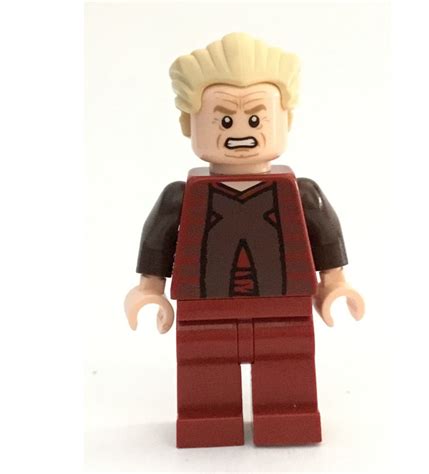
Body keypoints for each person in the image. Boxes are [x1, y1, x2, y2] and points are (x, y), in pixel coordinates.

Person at [124, 33, 364, 448]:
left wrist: (335, 284)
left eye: (255, 119)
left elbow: (325, 236)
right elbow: (159, 240)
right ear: (188, 124)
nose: (240, 132)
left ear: (285, 120)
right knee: (204, 368)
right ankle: (208, 420)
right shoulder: (182, 196)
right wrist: (149, 289)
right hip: (204, 307)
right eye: (223, 119)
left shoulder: (300, 192)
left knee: (287, 364)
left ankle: (287, 418)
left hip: (284, 305)